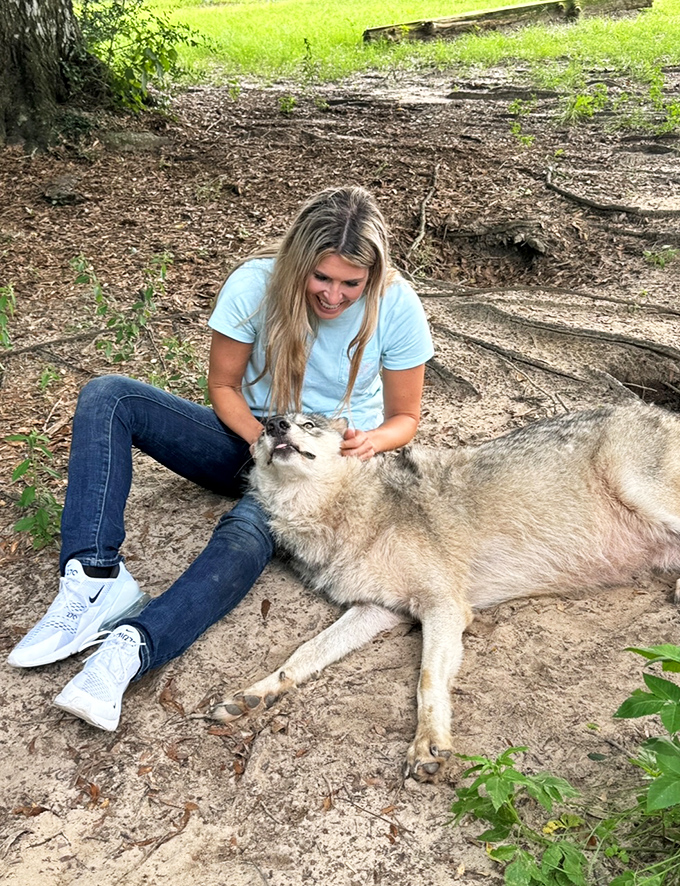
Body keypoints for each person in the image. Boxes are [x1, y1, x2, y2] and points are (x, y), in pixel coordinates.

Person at [7, 186, 434, 732]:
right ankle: (94, 580)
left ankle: (131, 650)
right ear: (297, 262)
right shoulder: (254, 285)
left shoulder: (396, 303)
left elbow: (406, 418)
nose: (334, 295)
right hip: (247, 434)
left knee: (244, 532)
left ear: (372, 279)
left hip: (321, 463)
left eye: (352, 283)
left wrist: (371, 442)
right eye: (321, 278)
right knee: (109, 395)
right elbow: (224, 385)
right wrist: (265, 442)